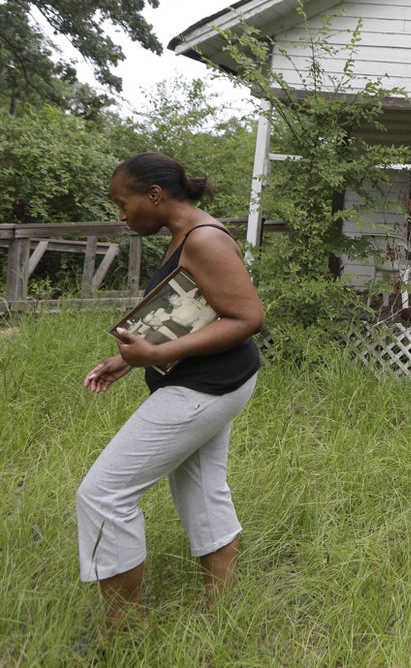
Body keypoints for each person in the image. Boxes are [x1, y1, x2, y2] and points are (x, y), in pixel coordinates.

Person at [77, 153, 264, 630]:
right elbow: (191, 311)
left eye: (124, 203)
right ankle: (222, 620)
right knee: (203, 491)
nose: (121, 215)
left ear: (155, 196)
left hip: (207, 385)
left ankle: (125, 633)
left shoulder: (203, 239)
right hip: (212, 379)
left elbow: (247, 318)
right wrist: (128, 357)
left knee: (104, 495)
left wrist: (157, 357)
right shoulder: (184, 235)